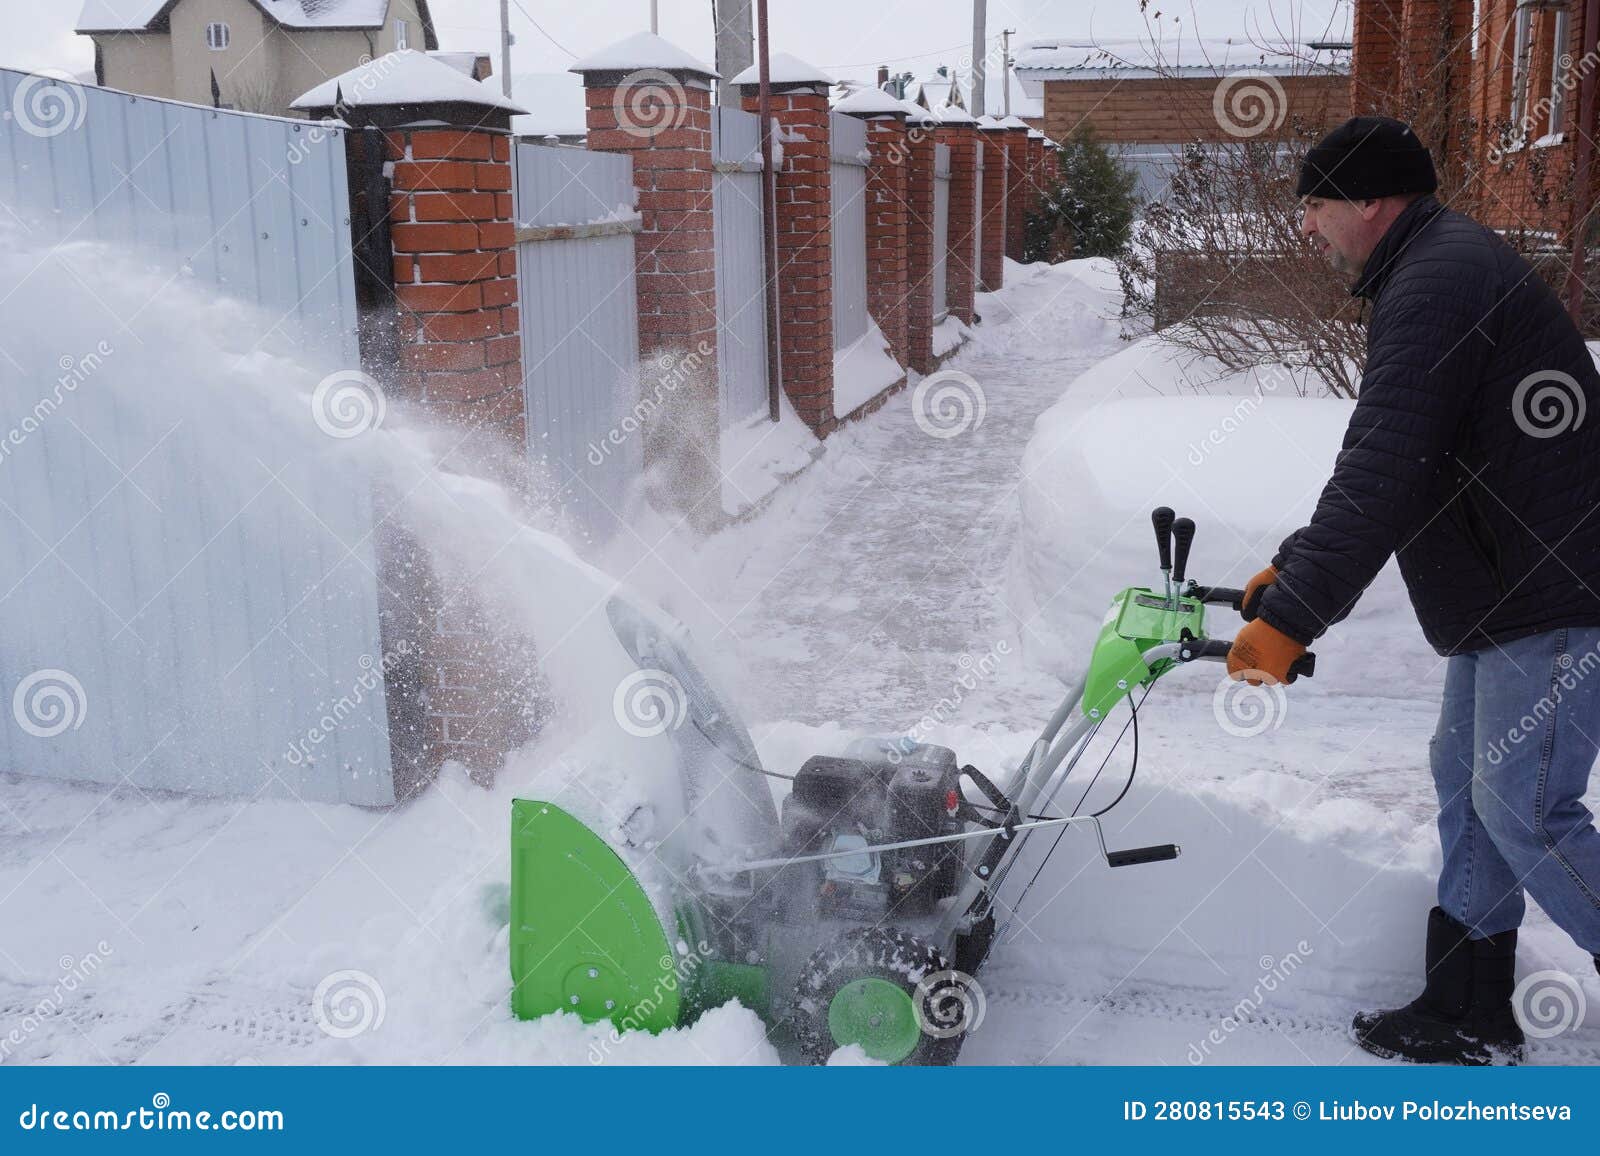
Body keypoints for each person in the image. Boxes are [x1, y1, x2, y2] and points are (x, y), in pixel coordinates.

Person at [1225, 116, 1600, 1065]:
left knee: (1521, 804)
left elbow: (1385, 469)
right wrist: (1295, 565)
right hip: (1509, 585)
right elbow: (1398, 453)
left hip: (1550, 584)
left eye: (1314, 205)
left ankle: (1469, 1006)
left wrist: (1295, 615)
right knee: (1470, 789)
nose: (1307, 227)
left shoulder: (1437, 282)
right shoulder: (1433, 270)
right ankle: (1465, 1009)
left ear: (1368, 202)